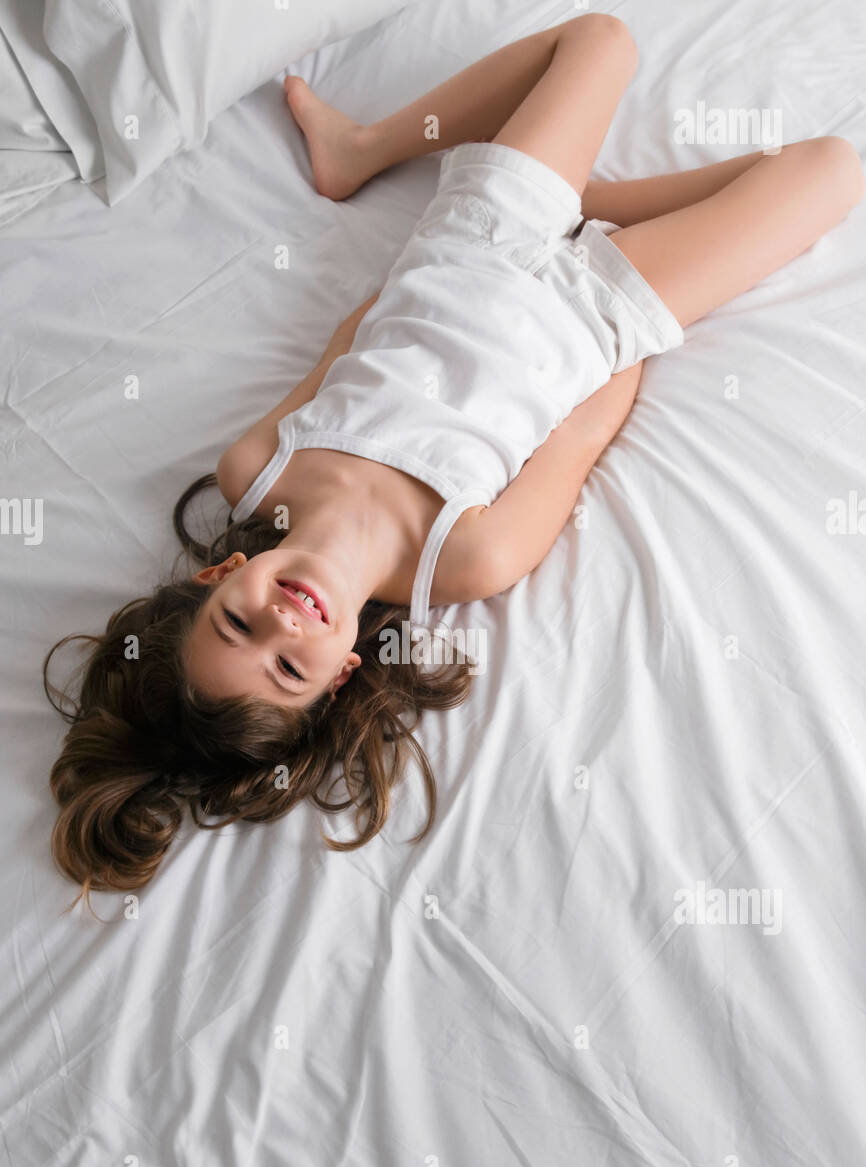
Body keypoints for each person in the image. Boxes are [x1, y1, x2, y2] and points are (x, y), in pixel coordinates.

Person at [45, 13, 864, 900]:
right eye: (289, 667)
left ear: (217, 578)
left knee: (601, 42)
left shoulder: (260, 468)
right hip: (596, 308)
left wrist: (457, 259)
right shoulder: (464, 558)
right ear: (341, 673)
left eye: (239, 625)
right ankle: (598, 208)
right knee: (831, 168)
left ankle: (361, 148)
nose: (284, 623)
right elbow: (584, 431)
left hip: (475, 237)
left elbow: (349, 339)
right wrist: (623, 282)